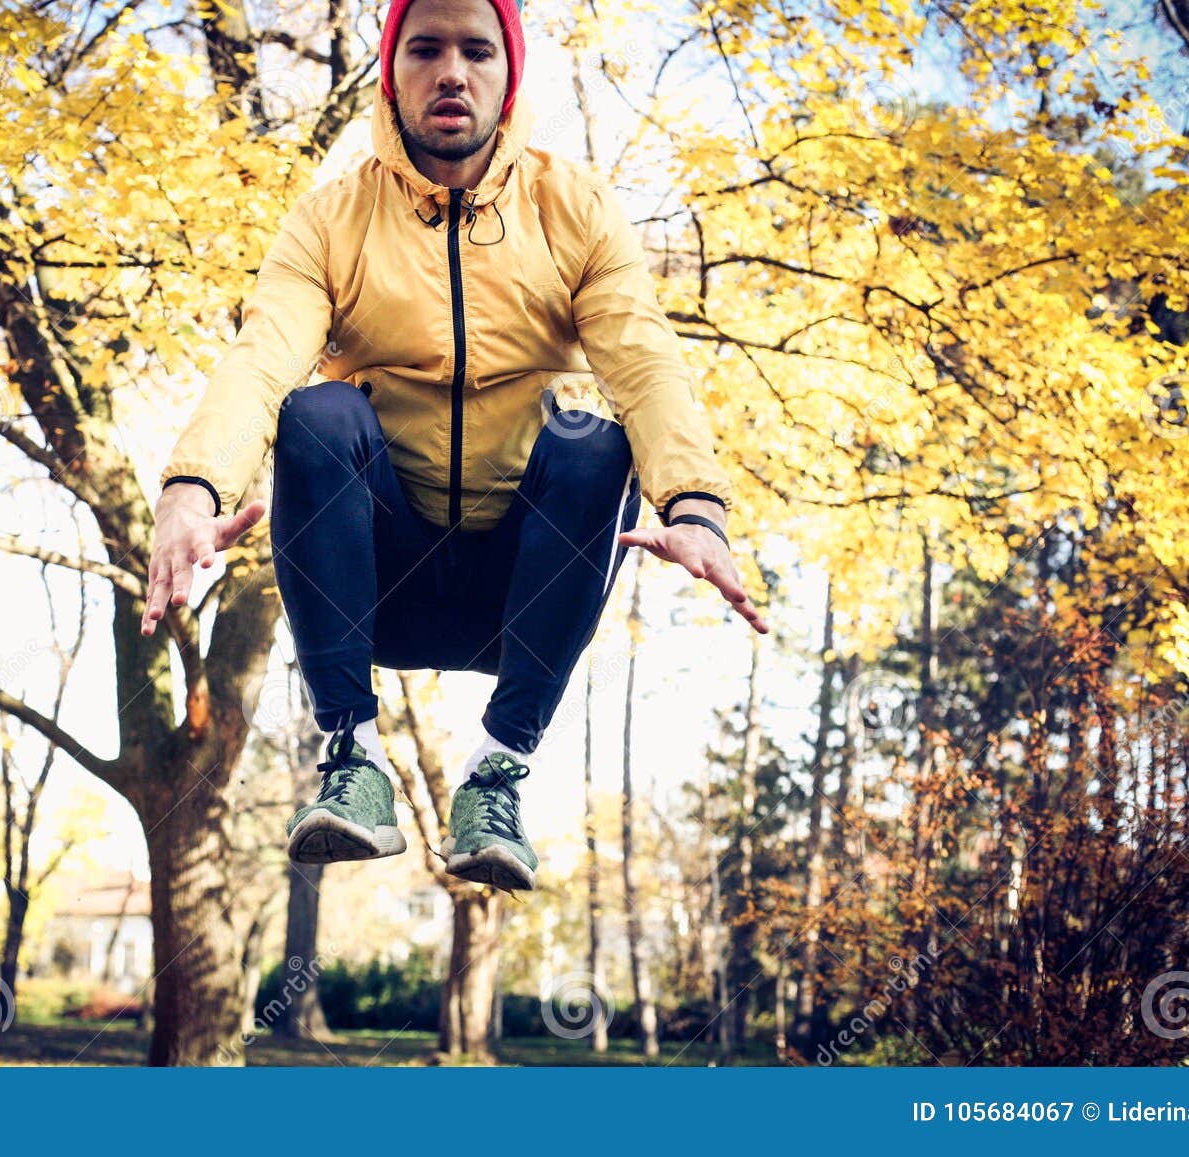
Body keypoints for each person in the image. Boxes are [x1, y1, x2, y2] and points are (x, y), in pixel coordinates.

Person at [142, 0, 768, 891]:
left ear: (509, 72)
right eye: (425, 48)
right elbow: (260, 357)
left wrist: (697, 508)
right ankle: (352, 759)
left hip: (519, 594)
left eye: (477, 50)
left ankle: (498, 772)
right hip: (375, 584)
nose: (451, 73)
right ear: (390, 69)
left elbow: (646, 362)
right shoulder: (330, 221)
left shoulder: (575, 210)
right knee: (320, 412)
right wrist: (192, 489)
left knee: (592, 436)